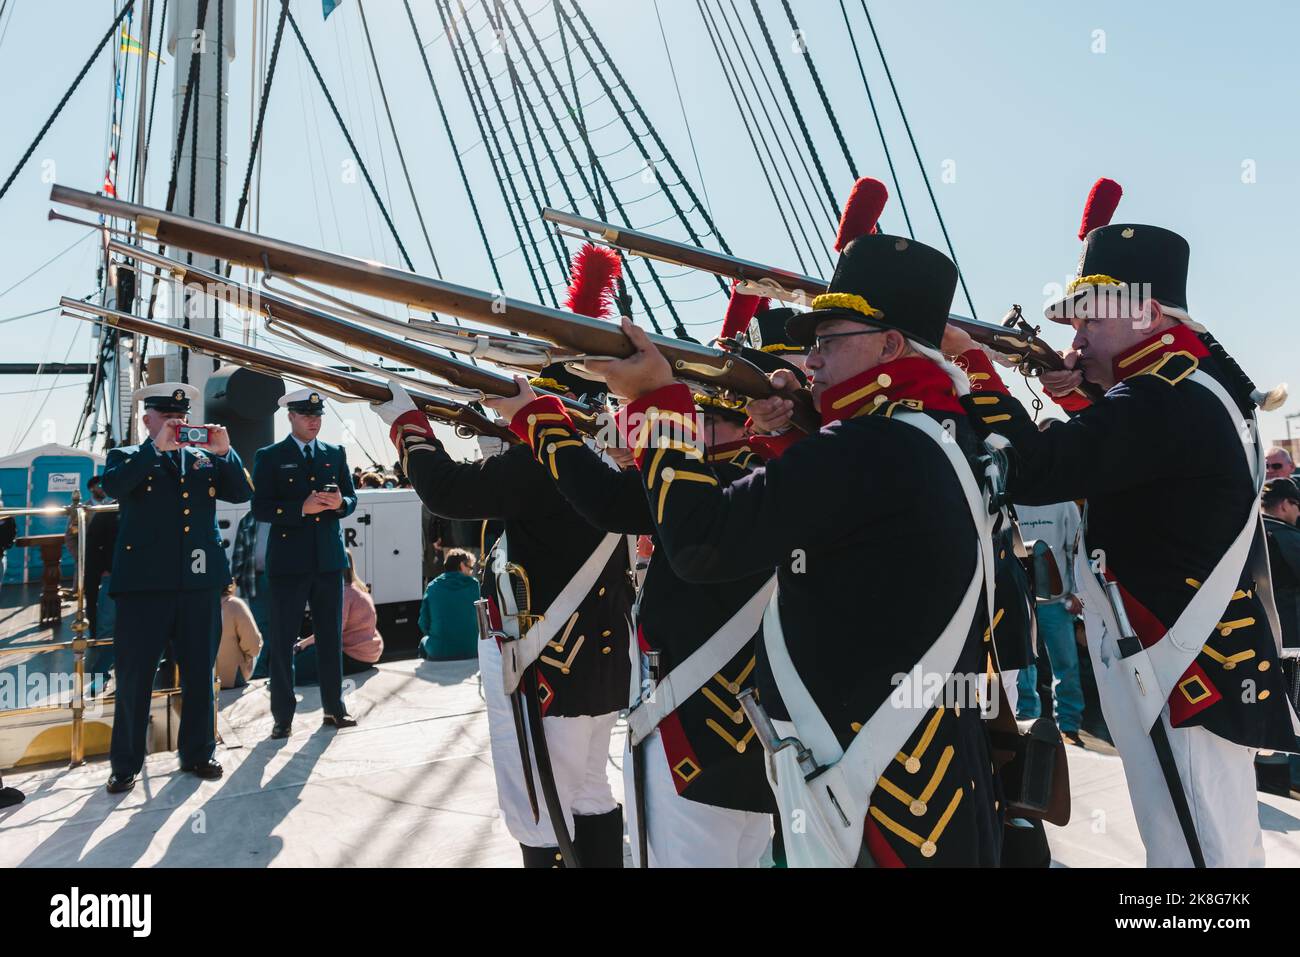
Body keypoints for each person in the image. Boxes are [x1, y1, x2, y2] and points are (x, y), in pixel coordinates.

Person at [586, 179, 1004, 867]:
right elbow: (855, 519)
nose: (809, 361)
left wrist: (659, 407)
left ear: (891, 344)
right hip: (918, 790)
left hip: (869, 803)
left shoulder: (869, 445)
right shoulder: (940, 434)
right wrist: (792, 438)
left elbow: (699, 539)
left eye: (830, 341)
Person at [942, 207, 1297, 866]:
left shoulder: (1163, 396)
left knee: (1200, 852)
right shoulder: (1181, 388)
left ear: (1149, 314)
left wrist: (976, 373)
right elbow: (1133, 451)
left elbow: (1036, 469)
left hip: (1181, 660)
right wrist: (1088, 395)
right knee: (1193, 841)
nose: (1076, 333)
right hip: (1185, 654)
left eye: (1091, 316)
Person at [488, 327, 800, 866]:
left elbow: (608, 499)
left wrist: (535, 418)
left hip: (695, 737)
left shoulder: (727, 482)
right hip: (761, 732)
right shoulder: (796, 470)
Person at [372, 247, 634, 869]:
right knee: (591, 792)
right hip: (595, 663)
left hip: (544, 664)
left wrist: (407, 423)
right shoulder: (599, 456)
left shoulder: (542, 460)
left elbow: (446, 491)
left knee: (537, 807)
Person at [100, 383, 253, 794]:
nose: (176, 424)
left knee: (201, 672)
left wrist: (226, 452)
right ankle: (126, 763)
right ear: (147, 419)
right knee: (135, 677)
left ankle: (199, 751)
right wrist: (156, 449)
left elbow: (241, 493)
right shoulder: (129, 457)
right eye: (167, 418)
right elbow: (113, 487)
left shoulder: (204, 459)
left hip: (198, 586)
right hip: (143, 590)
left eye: (180, 418)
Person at [252, 388, 359, 740]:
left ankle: (334, 708)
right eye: (306, 415)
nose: (314, 421)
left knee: (330, 637)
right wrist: (301, 508)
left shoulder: (334, 452)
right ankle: (282, 716)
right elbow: (261, 507)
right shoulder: (270, 456)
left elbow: (351, 497)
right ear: (291, 417)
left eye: (318, 416)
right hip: (289, 561)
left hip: (328, 559)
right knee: (283, 641)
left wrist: (340, 503)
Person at [1010, 422, 1085, 745]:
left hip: (1057, 601)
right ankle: (1029, 725)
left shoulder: (1065, 501)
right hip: (1022, 599)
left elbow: (1077, 550)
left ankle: (1068, 726)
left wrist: (1078, 595)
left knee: (1066, 666)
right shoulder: (1011, 496)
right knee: (1023, 669)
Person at [296, 555, 383, 677]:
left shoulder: (345, 594)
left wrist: (302, 644)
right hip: (368, 655)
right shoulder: (358, 590)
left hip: (355, 657)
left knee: (298, 664)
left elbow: (332, 631)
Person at [417, 547, 480, 661]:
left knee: (423, 642)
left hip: (439, 650)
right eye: (470, 567)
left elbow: (423, 622)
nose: (471, 572)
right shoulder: (474, 585)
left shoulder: (432, 587)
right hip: (472, 649)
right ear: (461, 565)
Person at [1263, 477, 1300, 648]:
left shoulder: (1245, 537)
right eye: (1297, 506)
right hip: (1289, 630)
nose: (1299, 513)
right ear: (1285, 504)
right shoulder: (1290, 539)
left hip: (1254, 630)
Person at [82, 475, 118, 641]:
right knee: (105, 614)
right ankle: (99, 643)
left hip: (130, 570)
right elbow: (90, 540)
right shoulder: (106, 510)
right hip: (105, 569)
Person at [216, 579, 262, 689]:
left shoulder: (193, 605)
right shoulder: (234, 604)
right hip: (231, 678)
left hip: (200, 678)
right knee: (258, 641)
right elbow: (253, 646)